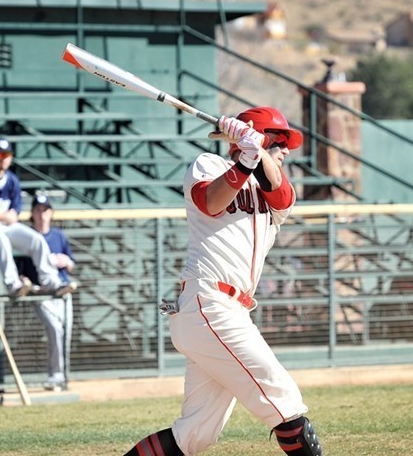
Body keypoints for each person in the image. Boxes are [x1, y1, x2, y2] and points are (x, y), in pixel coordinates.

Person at [126, 107, 323, 456]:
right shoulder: (208, 165)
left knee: (197, 433)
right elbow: (212, 202)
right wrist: (245, 158)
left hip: (229, 311)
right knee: (287, 404)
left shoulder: (276, 194)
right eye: (279, 139)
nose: (287, 148)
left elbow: (279, 192)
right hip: (208, 302)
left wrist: (256, 150)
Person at [0, 137, 76, 299]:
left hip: (2, 224)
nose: (3, 159)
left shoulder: (12, 180)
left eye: (6, 155)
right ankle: (13, 285)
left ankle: (51, 282)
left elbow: (14, 211)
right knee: (1, 241)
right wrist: (3, 216)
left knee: (36, 239)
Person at [14, 194, 75, 391]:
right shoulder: (27, 237)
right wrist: (25, 281)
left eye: (45, 210)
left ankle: (62, 376)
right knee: (55, 329)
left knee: (65, 332)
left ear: (51, 213)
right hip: (41, 293)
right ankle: (55, 375)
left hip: (63, 291)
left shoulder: (58, 235)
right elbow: (20, 272)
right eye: (38, 210)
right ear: (32, 213)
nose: (42, 214)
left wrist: (66, 261)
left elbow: (72, 264)